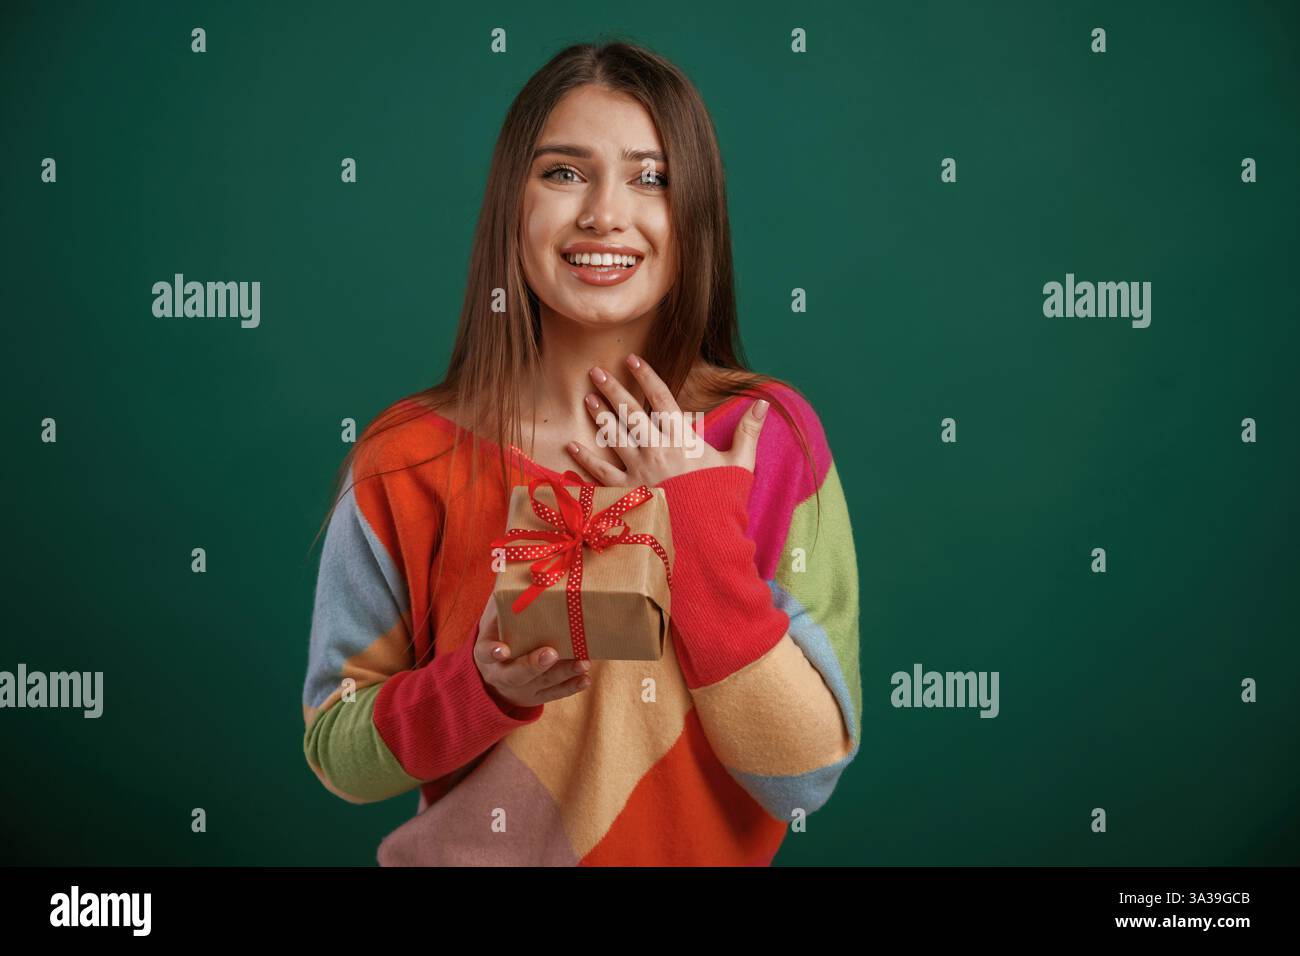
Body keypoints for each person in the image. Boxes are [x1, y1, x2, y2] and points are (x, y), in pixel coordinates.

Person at [301, 40, 862, 866]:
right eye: (564, 173)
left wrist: (700, 519)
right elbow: (337, 754)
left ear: (694, 213)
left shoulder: (768, 439)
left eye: (651, 177)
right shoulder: (406, 459)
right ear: (511, 203)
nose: (604, 212)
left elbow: (801, 775)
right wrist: (481, 688)